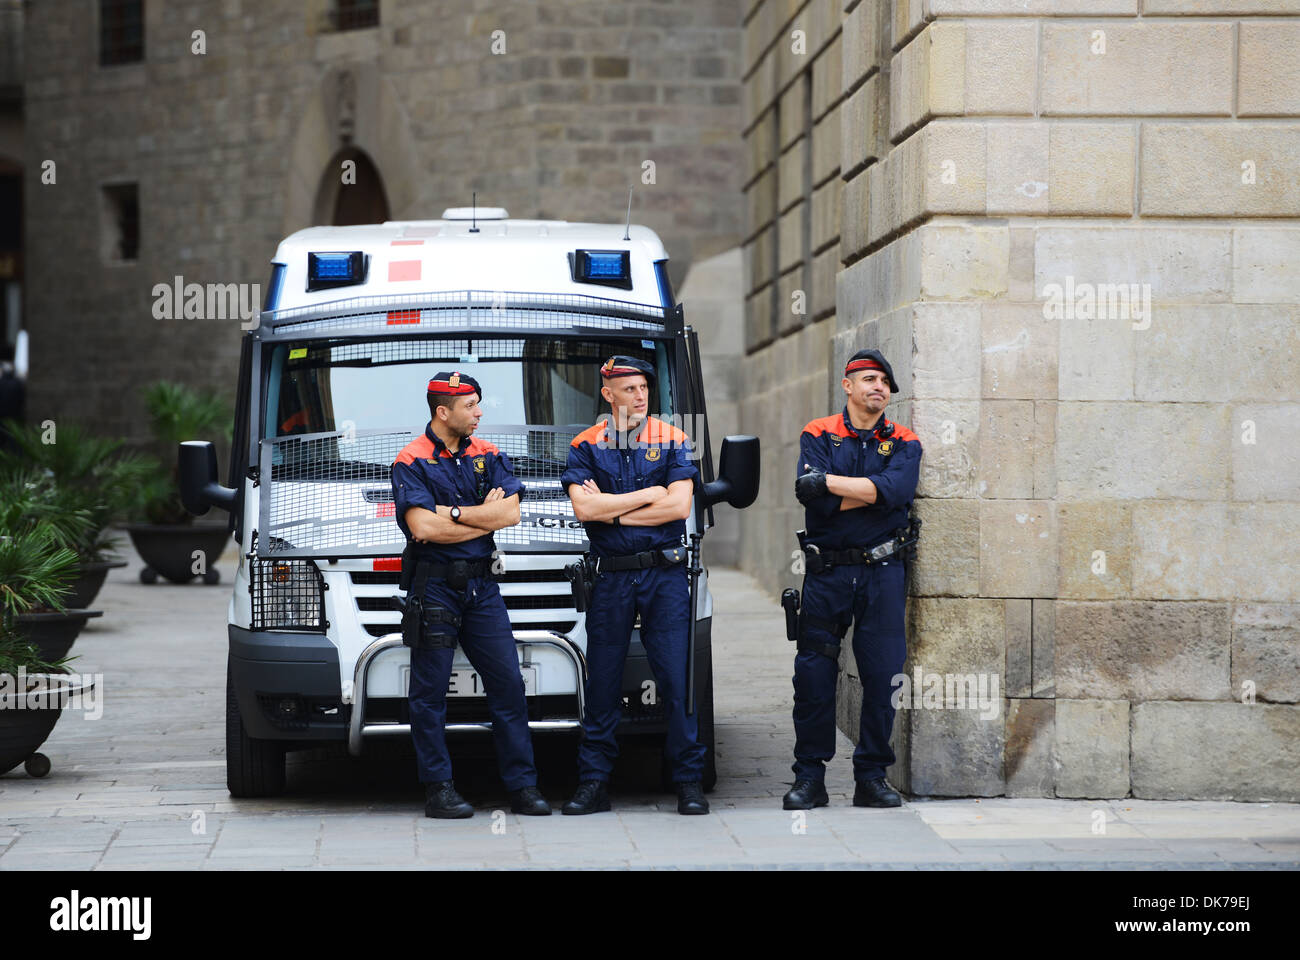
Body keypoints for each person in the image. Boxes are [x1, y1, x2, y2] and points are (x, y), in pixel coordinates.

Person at [390, 371, 551, 818]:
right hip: (435, 587)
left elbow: (512, 513)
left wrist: (454, 512)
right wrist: (484, 513)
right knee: (429, 693)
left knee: (508, 685)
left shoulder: (488, 452)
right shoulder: (411, 459)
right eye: (471, 406)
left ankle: (523, 787)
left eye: (479, 405)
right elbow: (422, 527)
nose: (479, 413)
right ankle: (439, 789)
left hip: (483, 588)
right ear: (444, 412)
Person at [558, 355, 709, 816]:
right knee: (602, 678)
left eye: (644, 387)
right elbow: (585, 512)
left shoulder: (674, 440)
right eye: (629, 388)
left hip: (664, 575)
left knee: (677, 678)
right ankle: (594, 782)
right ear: (608, 394)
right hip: (611, 574)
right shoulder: (585, 445)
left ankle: (687, 782)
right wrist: (647, 495)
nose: (640, 395)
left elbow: (678, 507)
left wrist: (611, 507)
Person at [785, 349, 922, 810]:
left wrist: (833, 484)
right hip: (827, 573)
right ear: (848, 385)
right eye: (868, 378)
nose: (878, 387)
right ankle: (809, 777)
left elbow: (897, 493)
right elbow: (814, 502)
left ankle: (871, 776)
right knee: (814, 674)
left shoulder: (904, 441)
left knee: (884, 676)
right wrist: (873, 493)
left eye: (884, 381)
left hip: (883, 573)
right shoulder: (818, 433)